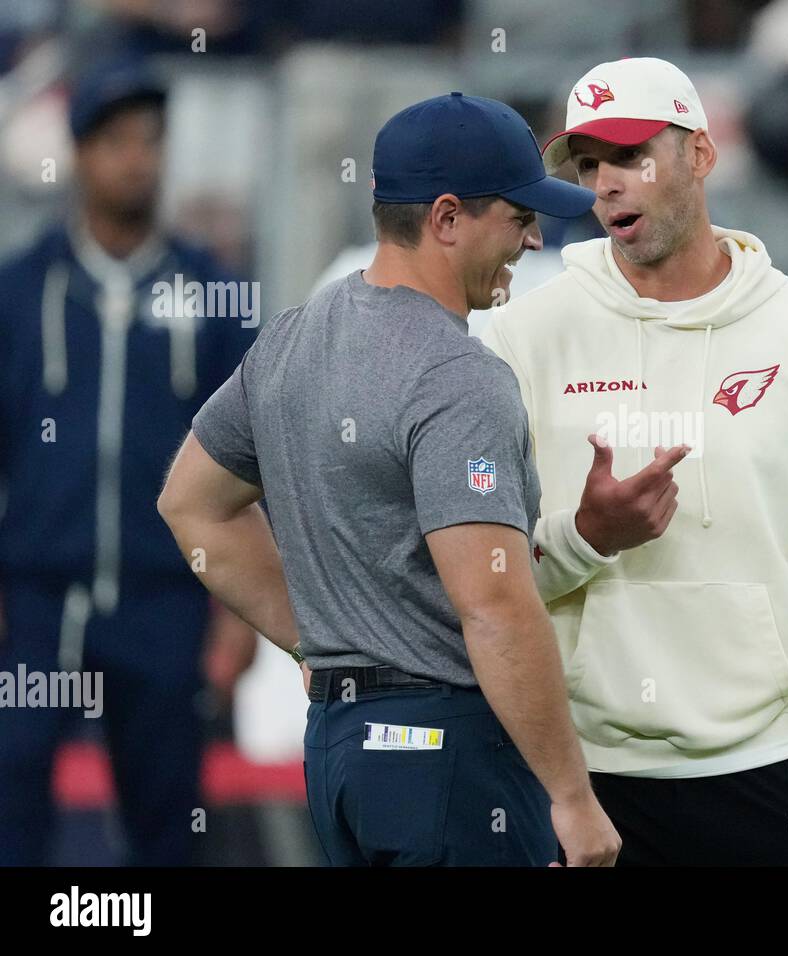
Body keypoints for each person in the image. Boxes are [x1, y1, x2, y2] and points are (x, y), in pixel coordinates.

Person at [158, 93, 622, 866]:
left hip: (341, 753)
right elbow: (495, 605)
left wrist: (320, 645)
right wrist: (574, 801)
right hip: (446, 751)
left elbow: (190, 504)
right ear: (446, 219)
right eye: (517, 216)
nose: (534, 239)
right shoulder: (458, 376)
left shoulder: (291, 340)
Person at [481, 57, 788, 866]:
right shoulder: (517, 338)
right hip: (580, 779)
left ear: (700, 156)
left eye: (633, 156)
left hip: (770, 778)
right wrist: (588, 537)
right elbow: (482, 579)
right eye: (590, 164)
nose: (607, 183)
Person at [0, 58, 258, 866]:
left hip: (166, 600)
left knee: (169, 817)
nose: (136, 158)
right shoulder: (19, 289)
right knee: (11, 800)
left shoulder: (214, 290)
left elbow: (252, 465)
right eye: (115, 141)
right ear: (78, 154)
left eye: (151, 140)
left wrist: (239, 613)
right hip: (38, 602)